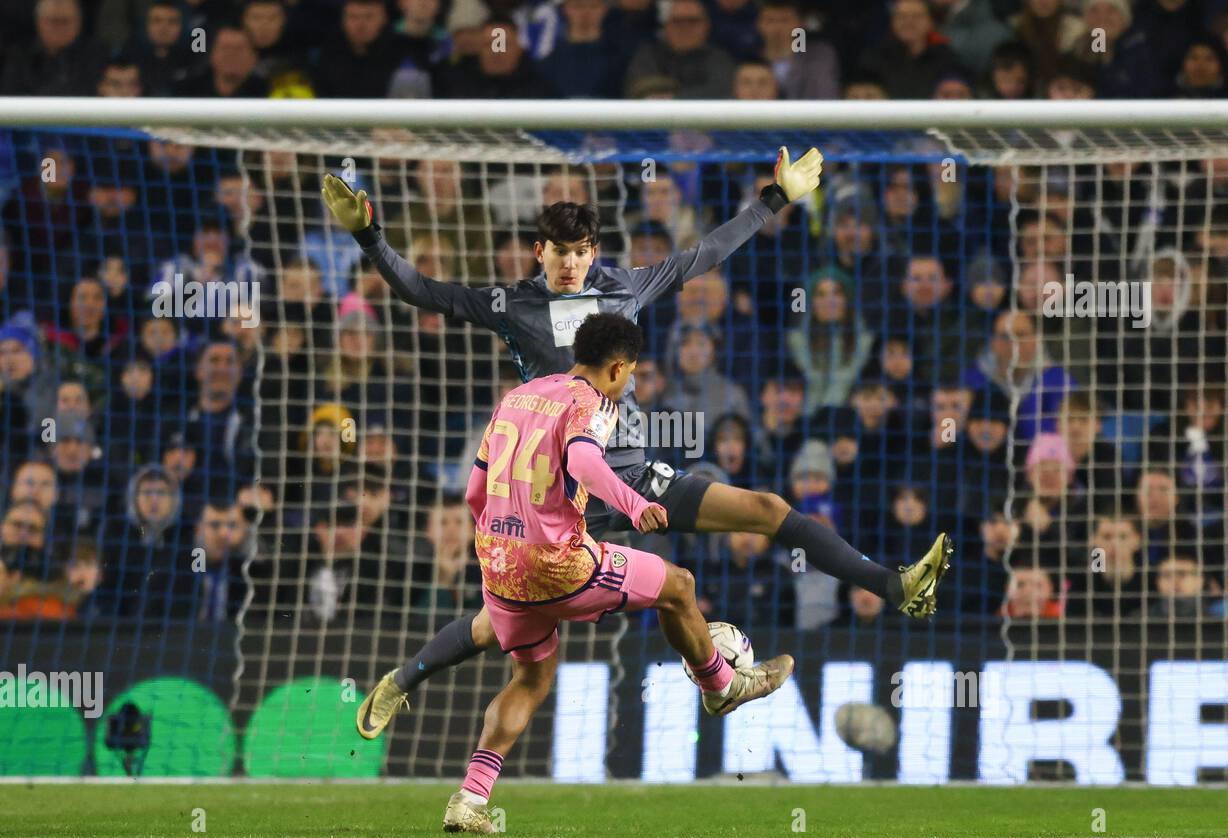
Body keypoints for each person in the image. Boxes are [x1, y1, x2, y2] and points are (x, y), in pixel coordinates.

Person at [321, 149, 953, 736]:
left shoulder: (625, 287)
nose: (571, 262)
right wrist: (369, 236)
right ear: (538, 251)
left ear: (593, 251)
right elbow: (421, 290)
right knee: (508, 625)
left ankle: (893, 587)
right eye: (559, 251)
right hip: (560, 493)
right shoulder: (509, 305)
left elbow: (703, 254)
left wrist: (772, 200)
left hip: (636, 477)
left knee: (764, 509)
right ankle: (404, 680)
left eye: (581, 251)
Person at [393, 314, 794, 833]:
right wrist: (633, 504)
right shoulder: (592, 403)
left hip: (497, 560)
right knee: (679, 586)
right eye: (630, 376)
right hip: (556, 563)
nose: (628, 386)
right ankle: (721, 686)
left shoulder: (520, 395)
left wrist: (502, 538)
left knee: (532, 676)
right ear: (619, 366)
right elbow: (583, 462)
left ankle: (469, 800)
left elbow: (475, 492)